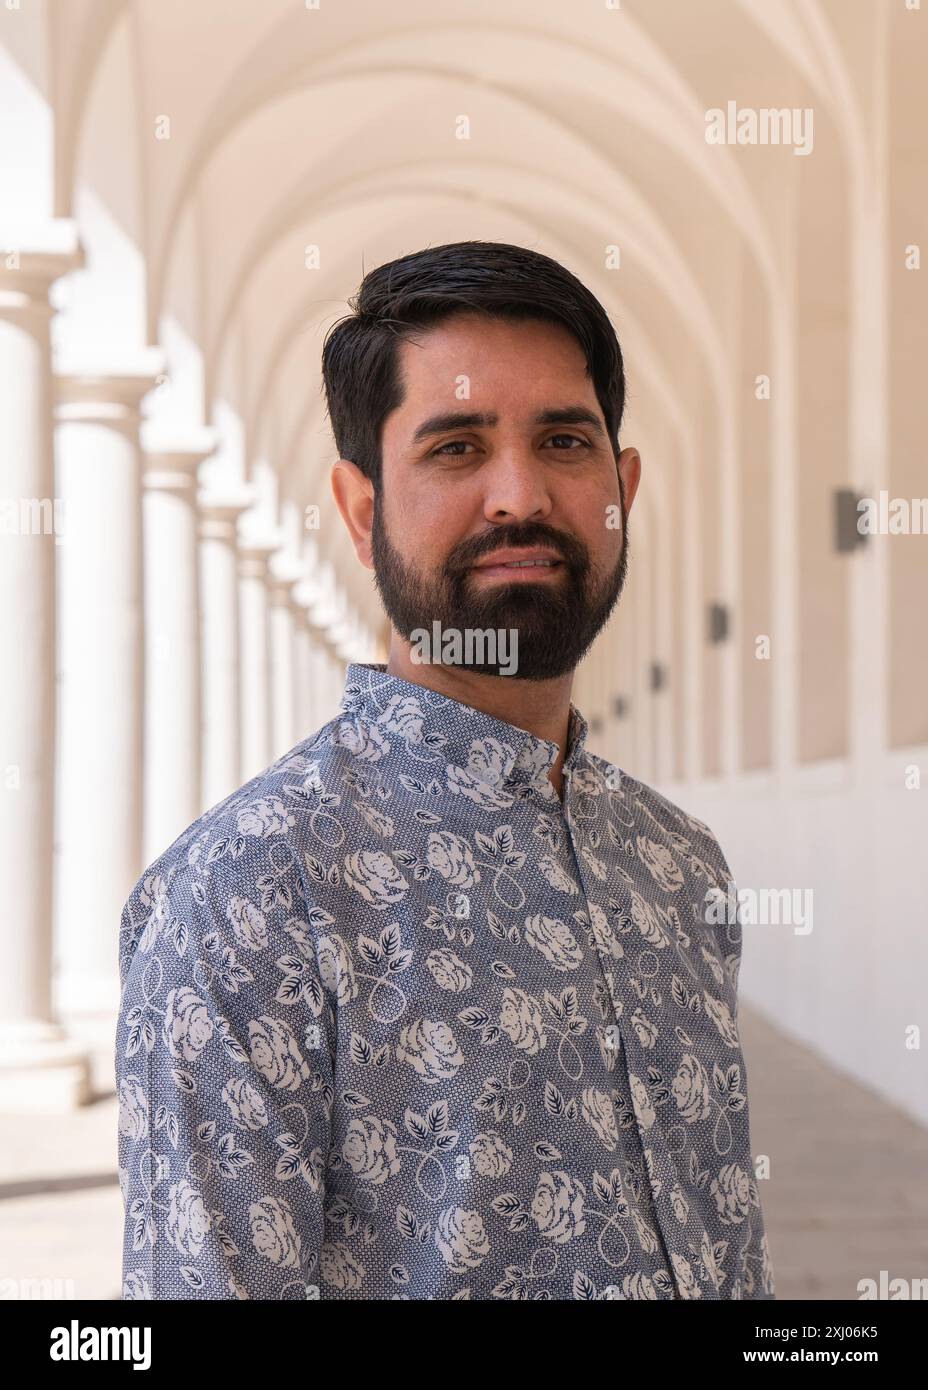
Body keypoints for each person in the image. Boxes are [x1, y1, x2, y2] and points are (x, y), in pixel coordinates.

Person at [116, 240, 775, 1300]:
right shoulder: (250, 896)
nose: (519, 495)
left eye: (563, 439)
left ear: (623, 487)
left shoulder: (674, 865)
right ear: (362, 506)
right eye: (456, 447)